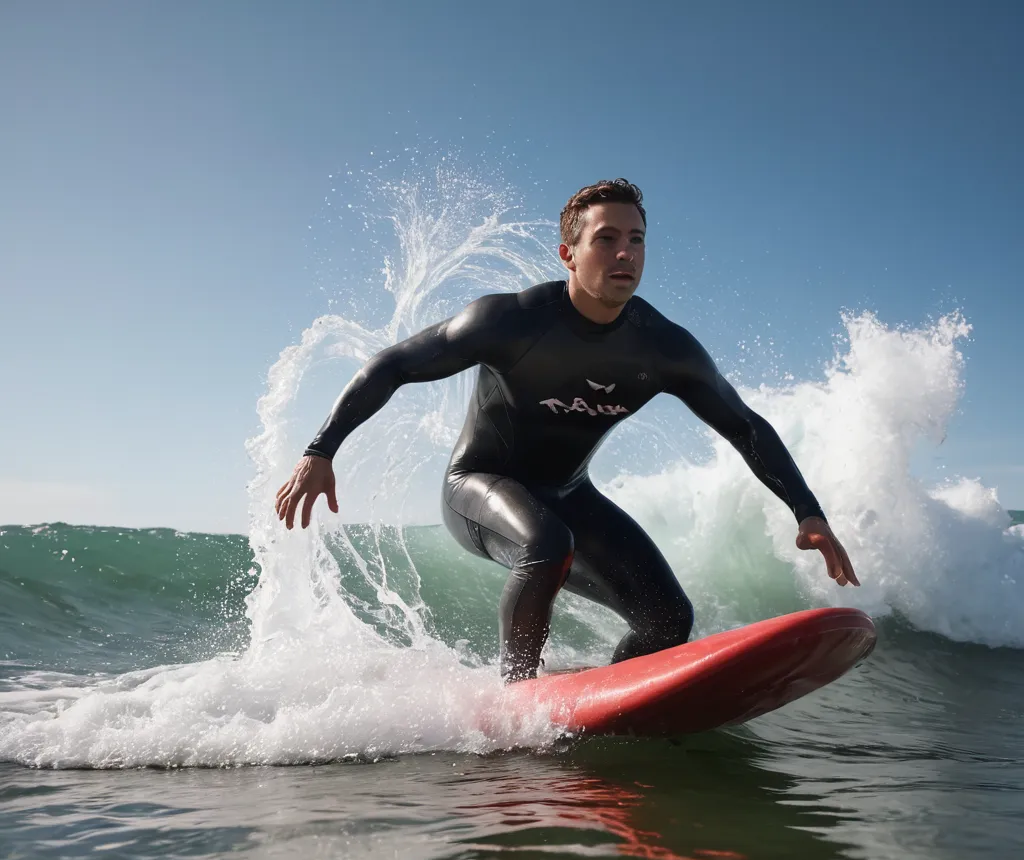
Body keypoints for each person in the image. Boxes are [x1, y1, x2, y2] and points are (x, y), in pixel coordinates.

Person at [276, 179, 859, 681]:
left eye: (637, 240)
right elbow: (394, 365)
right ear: (569, 254)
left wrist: (807, 512)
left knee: (667, 619)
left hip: (570, 493)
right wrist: (320, 450)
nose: (625, 252)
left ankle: (612, 701)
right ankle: (517, 699)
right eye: (606, 239)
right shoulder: (511, 321)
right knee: (546, 543)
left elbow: (745, 426)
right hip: (477, 486)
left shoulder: (663, 348)